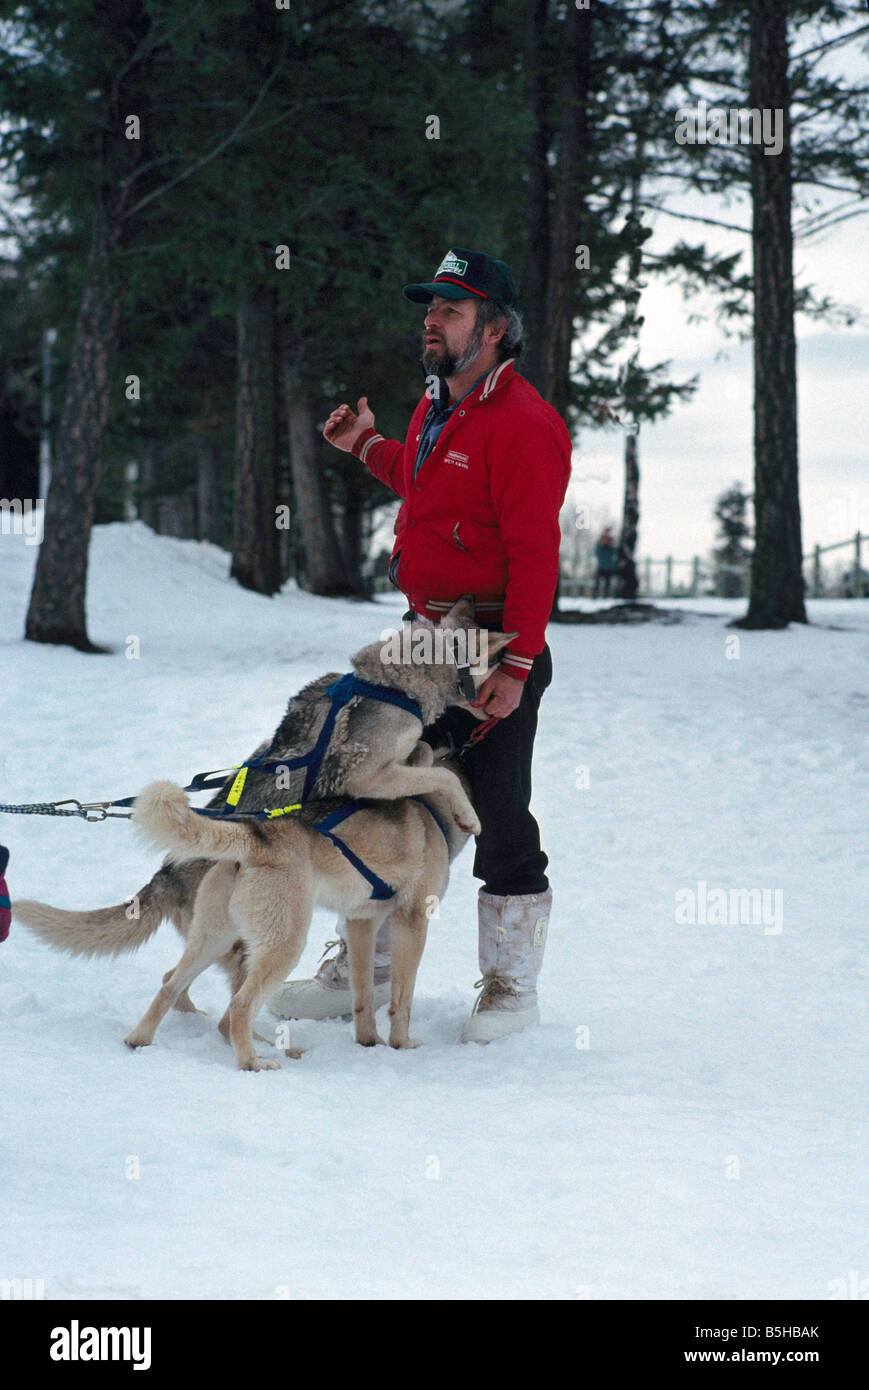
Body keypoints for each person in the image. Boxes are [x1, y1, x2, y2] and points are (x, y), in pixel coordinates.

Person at [272, 247, 572, 1042]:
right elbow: (428, 485)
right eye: (429, 307)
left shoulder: (525, 424)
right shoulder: (436, 405)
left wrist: (514, 667)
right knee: (375, 785)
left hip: (489, 643)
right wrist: (367, 446)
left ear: (496, 328)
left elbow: (537, 554)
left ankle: (511, 984)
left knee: (496, 805)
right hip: (423, 645)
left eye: (451, 307)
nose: (430, 320)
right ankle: (360, 972)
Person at [594, 526, 620, 598]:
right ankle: (595, 597)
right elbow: (597, 551)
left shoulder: (611, 542)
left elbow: (614, 552)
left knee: (607, 584)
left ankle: (606, 597)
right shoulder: (600, 541)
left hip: (609, 566)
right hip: (601, 565)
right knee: (597, 583)